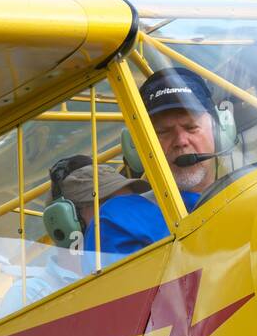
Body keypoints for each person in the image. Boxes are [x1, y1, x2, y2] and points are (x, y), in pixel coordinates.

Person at [84, 67, 225, 259]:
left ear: (221, 132)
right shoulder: (117, 221)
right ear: (139, 146)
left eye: (191, 127)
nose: (181, 141)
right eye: (163, 132)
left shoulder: (252, 193)